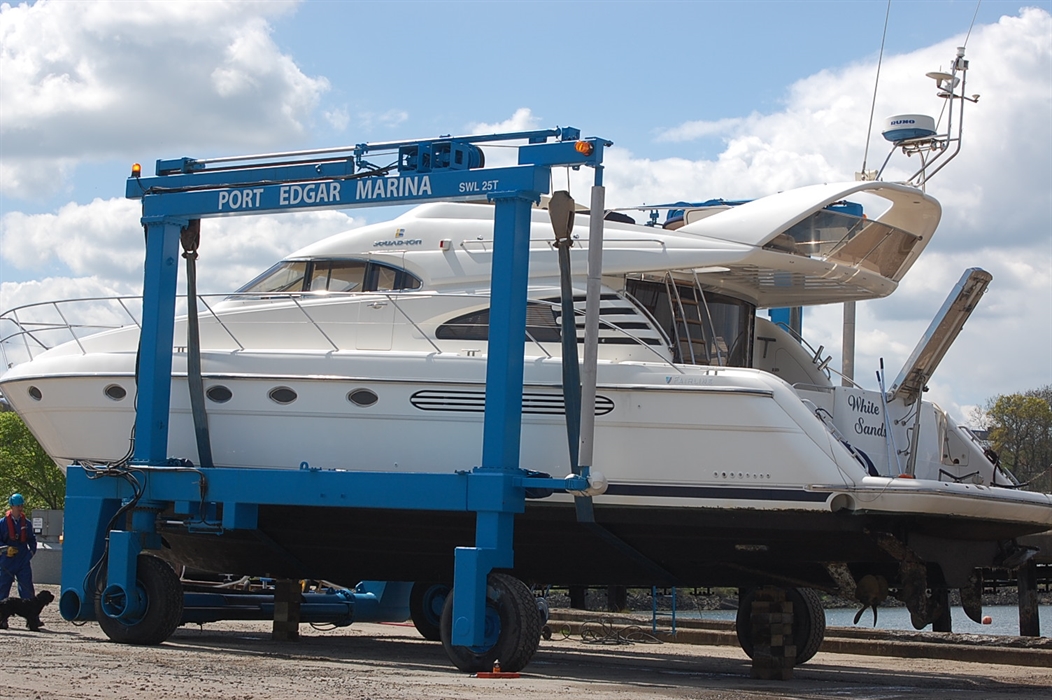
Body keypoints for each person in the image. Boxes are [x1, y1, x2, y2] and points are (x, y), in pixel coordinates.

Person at [0, 494, 37, 602]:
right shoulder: (2, 523)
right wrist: (6, 549)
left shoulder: (27, 523)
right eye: (18, 506)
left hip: (22, 559)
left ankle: (32, 617)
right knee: (2, 588)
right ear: (12, 506)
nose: (20, 508)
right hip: (7, 560)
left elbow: (32, 540)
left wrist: (31, 553)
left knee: (27, 589)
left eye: (21, 506)